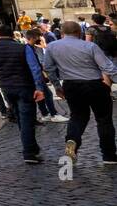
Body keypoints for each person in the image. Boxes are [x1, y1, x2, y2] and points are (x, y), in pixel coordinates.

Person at [43, 21, 117, 165]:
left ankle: (72, 141)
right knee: (104, 120)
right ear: (79, 32)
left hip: (71, 86)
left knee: (77, 117)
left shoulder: (52, 47)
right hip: (94, 84)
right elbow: (107, 66)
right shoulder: (90, 46)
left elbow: (48, 68)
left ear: (62, 33)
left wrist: (57, 86)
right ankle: (108, 155)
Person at [0, 23, 47, 163]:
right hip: (24, 86)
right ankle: (29, 152)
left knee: (20, 117)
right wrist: (39, 87)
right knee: (27, 118)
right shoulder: (23, 48)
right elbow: (35, 68)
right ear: (13, 34)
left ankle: (32, 147)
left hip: (6, 86)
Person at [25, 28, 67, 124]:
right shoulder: (29, 48)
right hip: (36, 77)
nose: (40, 38)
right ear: (33, 38)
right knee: (47, 94)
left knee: (41, 95)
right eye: (39, 37)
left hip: (35, 77)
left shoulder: (30, 47)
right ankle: (53, 114)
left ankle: (45, 114)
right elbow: (35, 66)